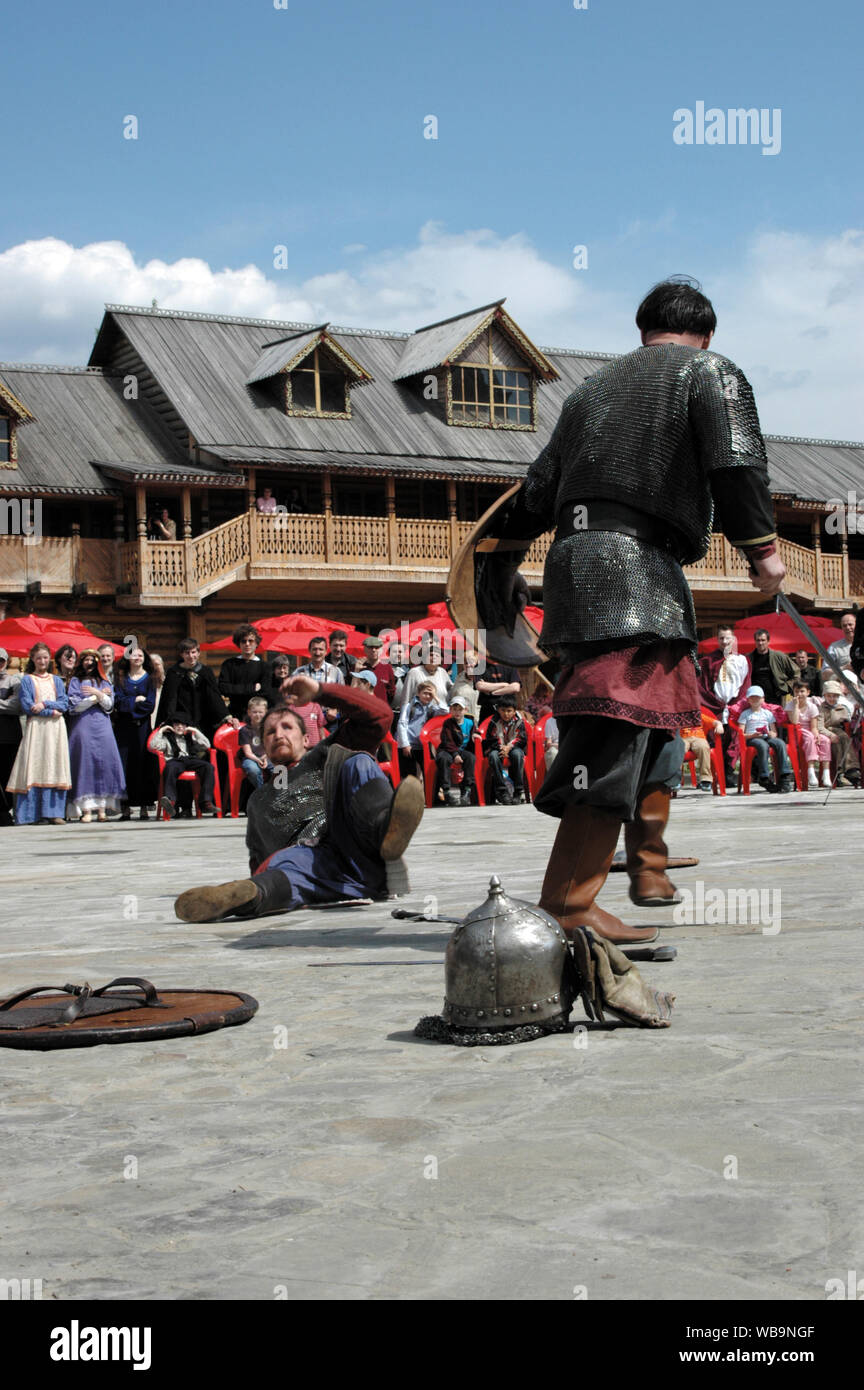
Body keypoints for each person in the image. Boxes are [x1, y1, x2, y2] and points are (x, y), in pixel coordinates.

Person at [477, 277, 785, 942]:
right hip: (634, 568)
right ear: (705, 332)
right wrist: (762, 548)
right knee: (615, 727)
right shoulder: (711, 369)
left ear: (645, 327)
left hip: (577, 563)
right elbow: (737, 465)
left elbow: (535, 490)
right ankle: (569, 904)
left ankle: (636, 873)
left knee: (650, 727)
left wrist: (501, 560)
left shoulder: (588, 391)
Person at [173, 675, 426, 922]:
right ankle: (240, 898)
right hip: (312, 868)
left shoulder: (323, 754)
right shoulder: (257, 800)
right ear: (264, 747)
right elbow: (258, 857)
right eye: (270, 732)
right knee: (284, 865)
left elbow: (380, 717)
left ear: (306, 739)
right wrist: (260, 876)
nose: (278, 734)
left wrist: (320, 691)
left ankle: (388, 828)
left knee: (358, 761)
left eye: (287, 727)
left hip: (357, 846)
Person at [7, 642, 71, 824]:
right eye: (38, 658)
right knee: (35, 765)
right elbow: (27, 706)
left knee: (54, 764)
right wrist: (51, 711)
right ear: (33, 660)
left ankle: (54, 813)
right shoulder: (27, 680)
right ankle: (31, 813)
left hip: (55, 729)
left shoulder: (56, 680)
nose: (42, 661)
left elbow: (64, 704)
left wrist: (44, 704)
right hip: (36, 727)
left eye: (45, 657)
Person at [67, 651, 126, 822]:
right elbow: (75, 706)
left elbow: (109, 705)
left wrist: (100, 695)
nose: (89, 663)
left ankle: (101, 810)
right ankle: (86, 810)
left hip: (102, 727)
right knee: (85, 763)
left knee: (103, 764)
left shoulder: (105, 681)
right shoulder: (75, 682)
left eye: (92, 660)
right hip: (82, 726)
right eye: (86, 660)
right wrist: (96, 696)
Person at [698, 623, 750, 785]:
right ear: (717, 640)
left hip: (735, 706)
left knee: (733, 740)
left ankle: (728, 773)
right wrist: (714, 702)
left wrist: (737, 703)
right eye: (721, 638)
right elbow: (702, 686)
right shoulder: (708, 660)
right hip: (715, 706)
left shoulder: (742, 660)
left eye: (728, 638)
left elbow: (745, 684)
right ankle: (715, 773)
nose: (725, 641)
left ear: (733, 639)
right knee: (715, 739)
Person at [114, 647, 157, 819]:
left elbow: (150, 705)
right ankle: (125, 806)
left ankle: (145, 805)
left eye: (140, 655)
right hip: (124, 729)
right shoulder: (121, 678)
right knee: (124, 766)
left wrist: (130, 707)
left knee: (143, 764)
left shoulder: (150, 679)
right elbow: (118, 701)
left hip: (142, 728)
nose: (137, 658)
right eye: (134, 655)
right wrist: (136, 700)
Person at [161, 638, 229, 741]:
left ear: (198, 653)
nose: (191, 656)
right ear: (182, 654)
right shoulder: (173, 673)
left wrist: (226, 716)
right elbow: (169, 699)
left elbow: (214, 696)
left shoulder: (206, 671)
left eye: (193, 652)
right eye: (187, 653)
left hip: (204, 717)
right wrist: (168, 719)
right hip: (182, 718)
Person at [152, 720, 218, 818]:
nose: (180, 727)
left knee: (208, 767)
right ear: (171, 726)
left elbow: (206, 745)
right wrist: (161, 731)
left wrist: (195, 730)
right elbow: (154, 746)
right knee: (170, 769)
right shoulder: (167, 737)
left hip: (190, 759)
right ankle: (170, 801)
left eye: (182, 725)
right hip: (174, 760)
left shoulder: (190, 736)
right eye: (176, 725)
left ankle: (205, 801)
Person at [738, 685, 794, 793]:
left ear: (763, 699)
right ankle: (764, 776)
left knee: (780, 743)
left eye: (757, 697)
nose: (755, 700)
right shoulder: (745, 714)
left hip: (766, 736)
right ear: (748, 700)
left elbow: (774, 732)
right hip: (753, 738)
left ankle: (784, 775)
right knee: (763, 746)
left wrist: (770, 733)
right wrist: (753, 735)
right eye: (752, 698)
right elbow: (741, 734)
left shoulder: (768, 714)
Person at [396, 679, 449, 780]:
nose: (428, 696)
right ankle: (409, 795)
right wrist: (405, 744)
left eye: (430, 694)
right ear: (418, 693)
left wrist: (436, 697)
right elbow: (402, 724)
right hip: (408, 745)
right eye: (425, 693)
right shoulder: (409, 706)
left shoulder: (432, 708)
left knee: (430, 771)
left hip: (422, 746)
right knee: (408, 775)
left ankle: (429, 795)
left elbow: (445, 711)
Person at [784, 680, 831, 789]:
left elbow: (813, 727)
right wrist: (796, 706)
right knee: (810, 738)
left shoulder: (812, 707)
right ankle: (810, 770)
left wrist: (817, 735)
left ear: (808, 692)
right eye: (796, 691)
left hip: (809, 730)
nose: (799, 694)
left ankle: (826, 772)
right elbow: (795, 721)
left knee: (825, 740)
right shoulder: (790, 705)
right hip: (796, 732)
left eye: (802, 691)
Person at [218, 624, 270, 720]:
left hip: (256, 716)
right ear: (239, 643)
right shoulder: (229, 664)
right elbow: (223, 688)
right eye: (243, 641)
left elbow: (265, 691)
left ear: (256, 643)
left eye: (250, 641)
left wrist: (235, 690)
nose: (247, 644)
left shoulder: (264, 667)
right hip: (234, 715)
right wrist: (251, 688)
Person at [482, 697, 529, 805]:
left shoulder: (519, 721)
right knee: (493, 756)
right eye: (503, 710)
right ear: (498, 710)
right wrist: (501, 747)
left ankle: (518, 791)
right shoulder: (494, 721)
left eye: (509, 711)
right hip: (497, 748)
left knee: (517, 755)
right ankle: (502, 791)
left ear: (514, 711)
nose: (506, 714)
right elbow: (490, 738)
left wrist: (509, 747)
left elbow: (521, 738)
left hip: (514, 748)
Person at [817, 681, 860, 787]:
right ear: (825, 696)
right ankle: (840, 772)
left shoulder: (842, 708)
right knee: (838, 741)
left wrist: (854, 712)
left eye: (835, 696)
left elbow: (848, 722)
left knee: (845, 738)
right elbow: (819, 726)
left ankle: (851, 769)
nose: (832, 699)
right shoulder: (821, 709)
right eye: (829, 696)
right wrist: (830, 734)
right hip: (826, 732)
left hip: (839, 731)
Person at [436, 697, 476, 806]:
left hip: (462, 750)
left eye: (460, 709)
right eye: (454, 709)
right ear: (450, 710)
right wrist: (455, 755)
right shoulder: (448, 723)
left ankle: (467, 791)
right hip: (447, 750)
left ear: (465, 710)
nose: (457, 712)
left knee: (471, 758)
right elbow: (447, 741)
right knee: (443, 759)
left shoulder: (470, 722)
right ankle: (446, 791)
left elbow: (475, 735)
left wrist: (477, 735)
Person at [0, 649, 23, 825]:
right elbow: (9, 704)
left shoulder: (14, 680)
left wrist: (8, 705)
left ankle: (9, 809)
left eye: (1, 660)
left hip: (9, 736)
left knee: (9, 776)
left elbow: (16, 706)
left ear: (7, 662)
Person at [748, 629, 796, 708]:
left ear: (768, 641)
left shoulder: (779, 656)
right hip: (755, 700)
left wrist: (787, 687)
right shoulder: (749, 658)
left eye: (763, 640)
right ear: (755, 642)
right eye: (758, 640)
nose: (760, 643)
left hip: (775, 700)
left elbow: (796, 672)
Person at [238, 696, 272, 790]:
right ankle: (261, 794)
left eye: (260, 712)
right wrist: (258, 760)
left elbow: (270, 747)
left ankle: (280, 795)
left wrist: (265, 758)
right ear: (249, 712)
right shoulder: (245, 730)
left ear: (265, 713)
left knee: (280, 767)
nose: (257, 715)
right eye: (254, 712)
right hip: (251, 758)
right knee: (253, 769)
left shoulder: (268, 728)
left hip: (267, 756)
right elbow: (248, 753)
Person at [474, 659, 521, 725]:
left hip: (507, 712)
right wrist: (505, 685)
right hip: (487, 711)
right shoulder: (479, 666)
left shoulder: (510, 665)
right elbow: (479, 686)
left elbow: (515, 687)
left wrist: (492, 692)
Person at [360, 635, 396, 706]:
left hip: (381, 710)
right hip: (363, 710)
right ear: (364, 649)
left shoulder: (387, 667)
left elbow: (391, 691)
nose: (373, 650)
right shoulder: (359, 666)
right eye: (370, 647)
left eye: (376, 647)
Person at [678, 719, 713, 790]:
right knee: (678, 748)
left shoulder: (699, 714)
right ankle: (675, 779)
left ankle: (706, 779)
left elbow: (713, 721)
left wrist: (718, 725)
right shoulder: (679, 714)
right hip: (683, 737)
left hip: (699, 738)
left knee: (704, 747)